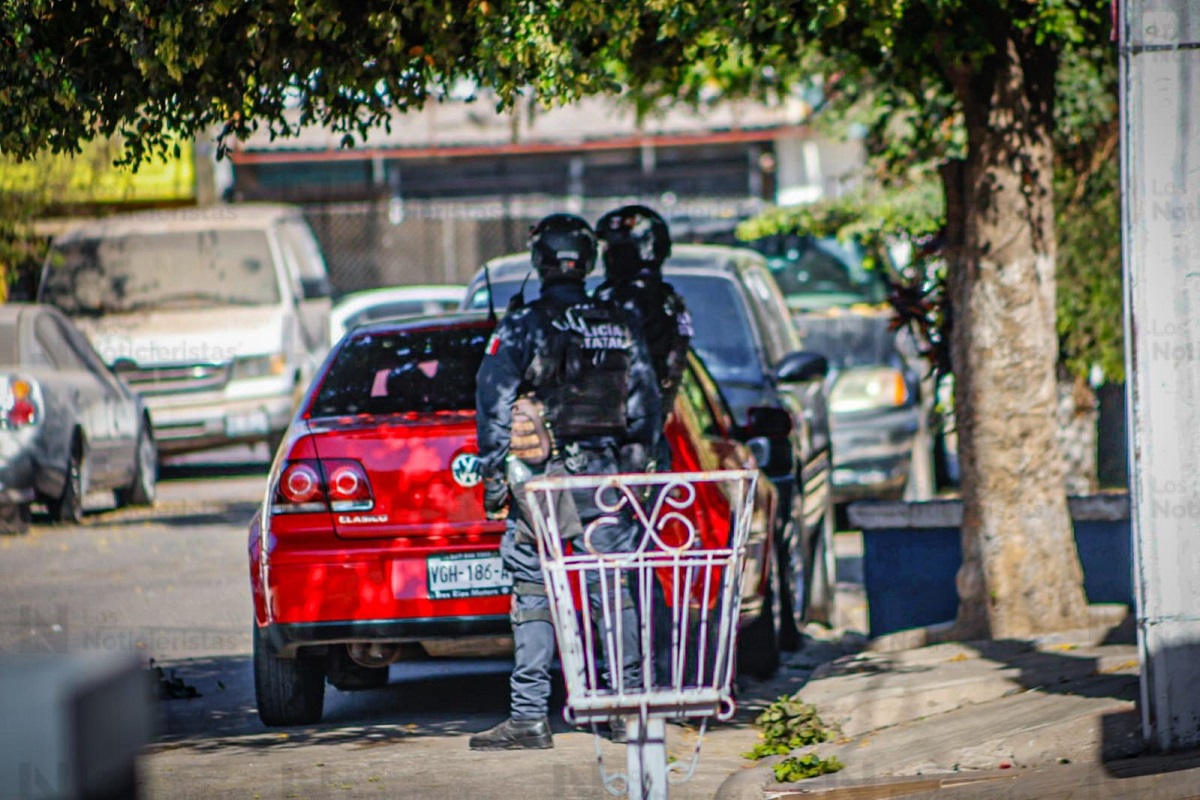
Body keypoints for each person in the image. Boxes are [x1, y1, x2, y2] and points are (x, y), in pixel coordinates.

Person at [469, 213, 662, 751]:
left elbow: (493, 400)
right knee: (613, 588)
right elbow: (646, 404)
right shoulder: (620, 322)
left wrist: (493, 475)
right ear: (588, 261)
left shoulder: (523, 325)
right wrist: (633, 470)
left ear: (541, 261)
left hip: (546, 483)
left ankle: (529, 717)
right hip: (605, 480)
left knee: (532, 587)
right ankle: (625, 711)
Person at [594, 205, 693, 469]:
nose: (607, 257)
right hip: (644, 427)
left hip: (629, 431)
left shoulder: (632, 301)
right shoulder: (669, 301)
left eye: (615, 250)